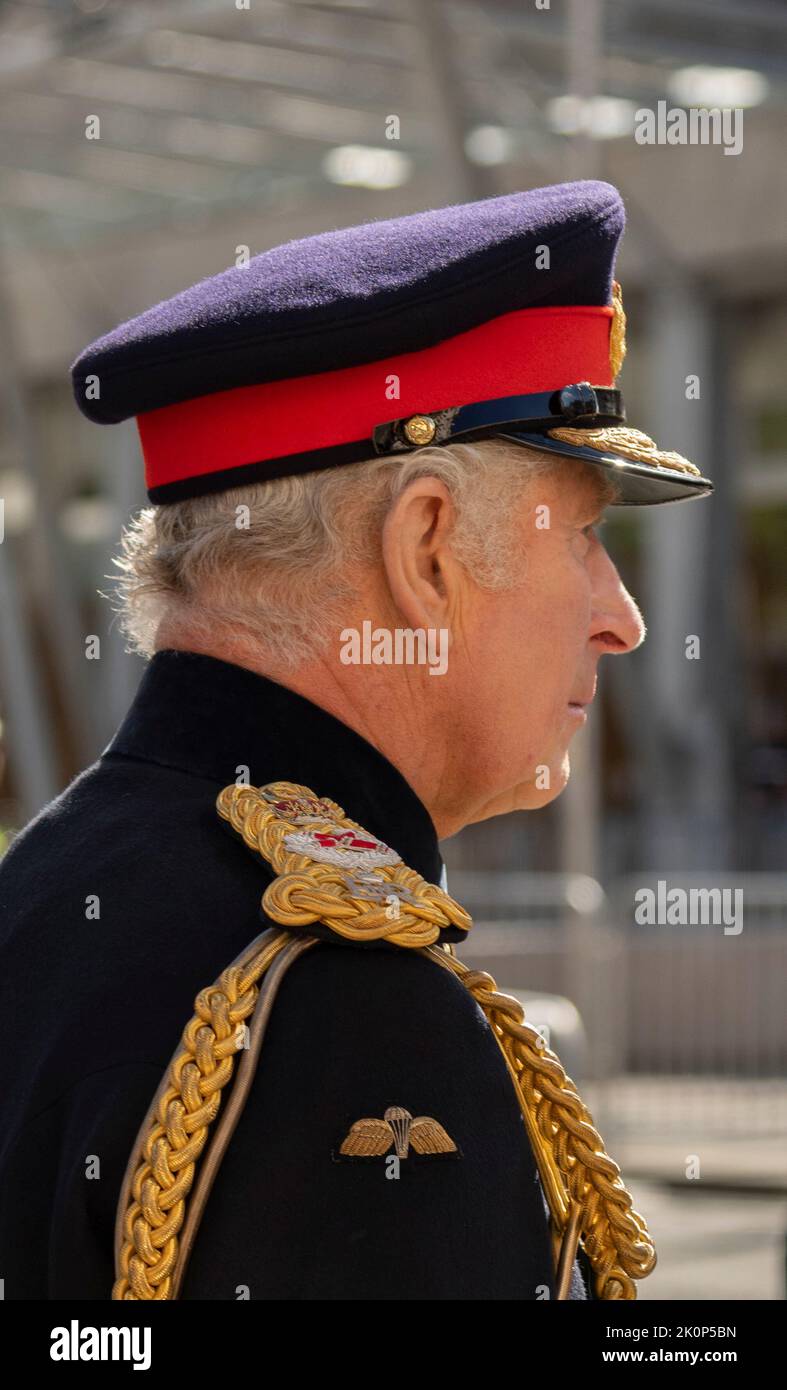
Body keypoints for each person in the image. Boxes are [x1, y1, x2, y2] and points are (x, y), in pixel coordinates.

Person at [0, 179, 712, 1301]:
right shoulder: (345, 1013)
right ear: (425, 547)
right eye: (581, 535)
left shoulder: (44, 891)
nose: (620, 615)